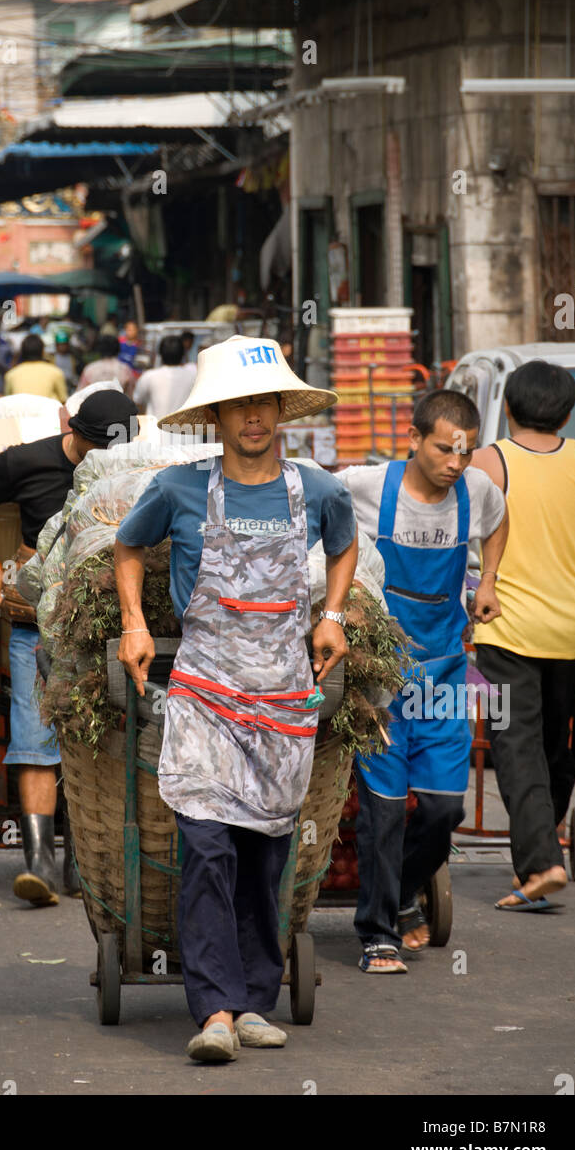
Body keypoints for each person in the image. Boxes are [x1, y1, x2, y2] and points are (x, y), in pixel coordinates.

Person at [115, 336, 357, 1062]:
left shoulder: (318, 491)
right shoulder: (179, 489)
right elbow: (129, 548)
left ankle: (255, 997)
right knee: (208, 848)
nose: (253, 417)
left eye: (264, 403)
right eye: (238, 405)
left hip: (282, 702)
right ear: (216, 416)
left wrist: (335, 615)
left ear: (281, 410)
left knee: (263, 854)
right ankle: (215, 1008)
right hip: (203, 697)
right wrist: (133, 623)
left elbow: (343, 547)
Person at [335, 389, 508, 972]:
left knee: (442, 809)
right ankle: (376, 931)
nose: (455, 463)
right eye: (443, 449)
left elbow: (500, 521)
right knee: (382, 809)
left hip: (444, 677)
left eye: (465, 452)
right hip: (380, 680)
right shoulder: (365, 486)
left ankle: (404, 892)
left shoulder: (477, 492)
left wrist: (489, 581)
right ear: (413, 439)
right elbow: (319, 516)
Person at [0, 388, 139, 907]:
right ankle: (41, 865)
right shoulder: (29, 461)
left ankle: (88, 859)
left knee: (107, 734)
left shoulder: (133, 470)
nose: (105, 459)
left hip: (111, 628)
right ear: (72, 431)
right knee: (34, 731)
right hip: (37, 622)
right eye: (96, 447)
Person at [472, 361, 575, 910]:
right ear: (568, 413)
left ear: (506, 409)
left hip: (509, 624)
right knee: (553, 739)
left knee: (515, 741)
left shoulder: (487, 463)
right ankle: (547, 839)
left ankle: (542, 863)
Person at [133, 335, 196, 421]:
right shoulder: (193, 377)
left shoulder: (149, 376)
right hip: (188, 432)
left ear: (160, 354)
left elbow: (137, 403)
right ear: (182, 354)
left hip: (156, 432)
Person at [3, 333, 68, 403]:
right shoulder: (56, 372)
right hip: (47, 413)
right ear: (43, 352)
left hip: (21, 413)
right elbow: (63, 400)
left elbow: (7, 402)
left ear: (22, 353)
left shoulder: (11, 375)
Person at [78, 334, 136, 398]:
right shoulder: (125, 370)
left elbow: (80, 395)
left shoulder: (90, 369)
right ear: (117, 349)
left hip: (95, 406)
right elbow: (131, 396)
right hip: (119, 406)